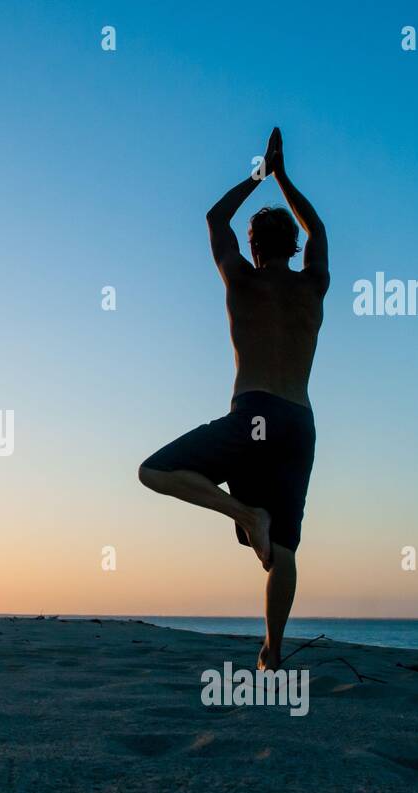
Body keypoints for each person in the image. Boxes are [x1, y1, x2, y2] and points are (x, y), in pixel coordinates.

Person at [138, 128, 328, 671]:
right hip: (299, 421)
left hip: (255, 416)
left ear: (252, 247)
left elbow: (213, 220)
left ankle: (245, 513)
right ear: (293, 248)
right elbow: (318, 227)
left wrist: (258, 175)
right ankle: (273, 651)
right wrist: (286, 177)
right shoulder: (313, 284)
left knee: (155, 471)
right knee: (285, 551)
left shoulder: (240, 279)